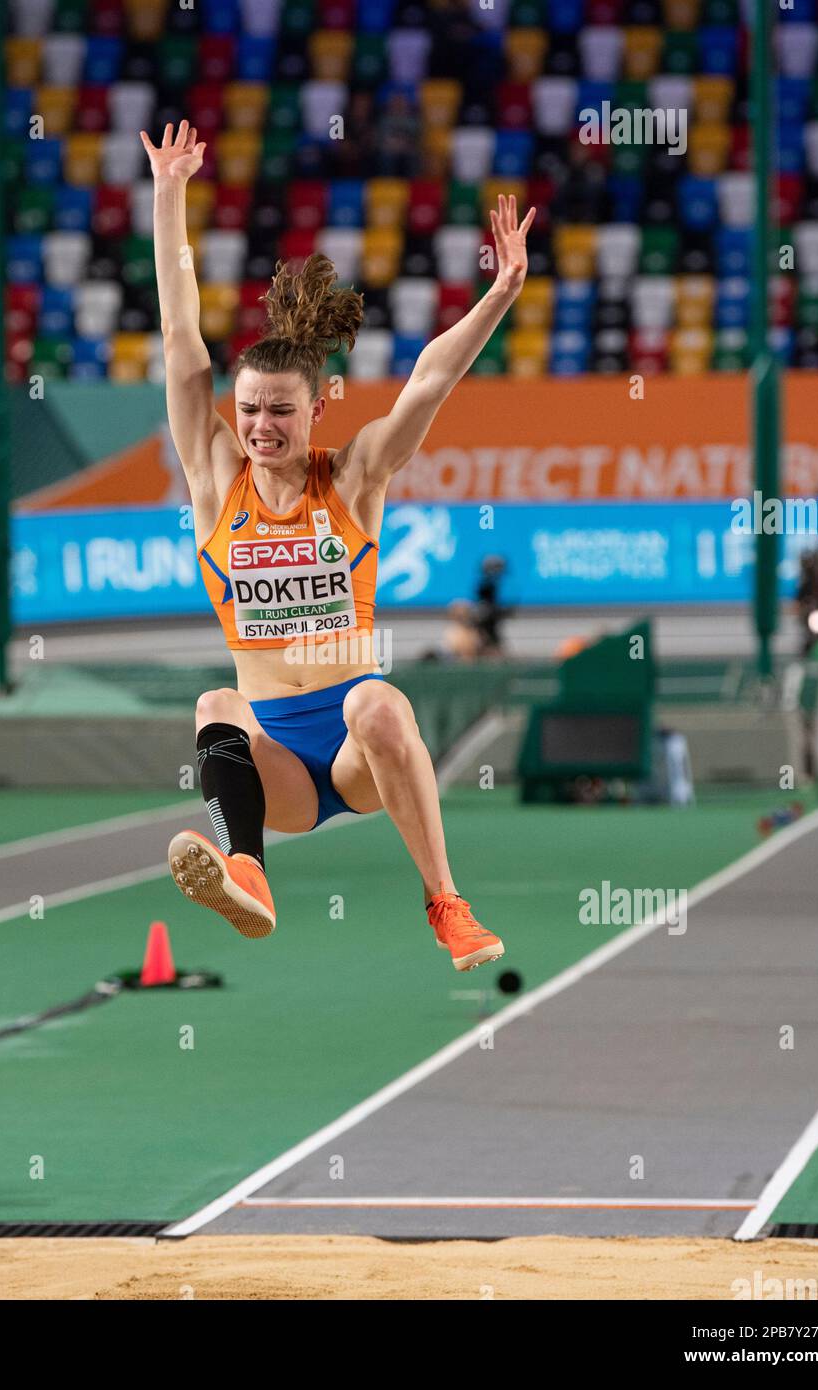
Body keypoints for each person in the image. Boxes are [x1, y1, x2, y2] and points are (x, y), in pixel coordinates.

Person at [141, 119, 535, 971]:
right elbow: (181, 347)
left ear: (317, 408)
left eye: (280, 409)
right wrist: (169, 195)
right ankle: (247, 869)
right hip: (275, 759)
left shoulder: (353, 478)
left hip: (356, 753)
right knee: (215, 707)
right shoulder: (217, 480)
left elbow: (429, 380)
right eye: (248, 409)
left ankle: (447, 904)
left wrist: (499, 294)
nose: (259, 425)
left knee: (381, 704)